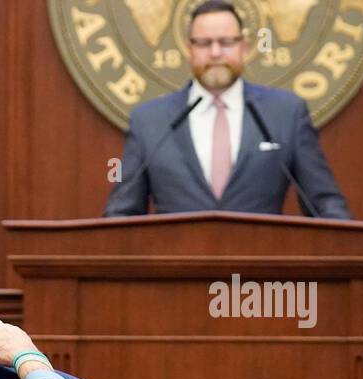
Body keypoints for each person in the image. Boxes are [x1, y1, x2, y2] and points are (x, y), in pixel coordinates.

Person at [104, 0, 350, 219]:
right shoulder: (149, 120)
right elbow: (121, 213)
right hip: (177, 267)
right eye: (204, 43)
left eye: (226, 42)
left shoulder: (285, 112)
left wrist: (344, 246)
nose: (215, 52)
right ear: (189, 49)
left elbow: (325, 203)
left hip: (260, 266)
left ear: (244, 47)